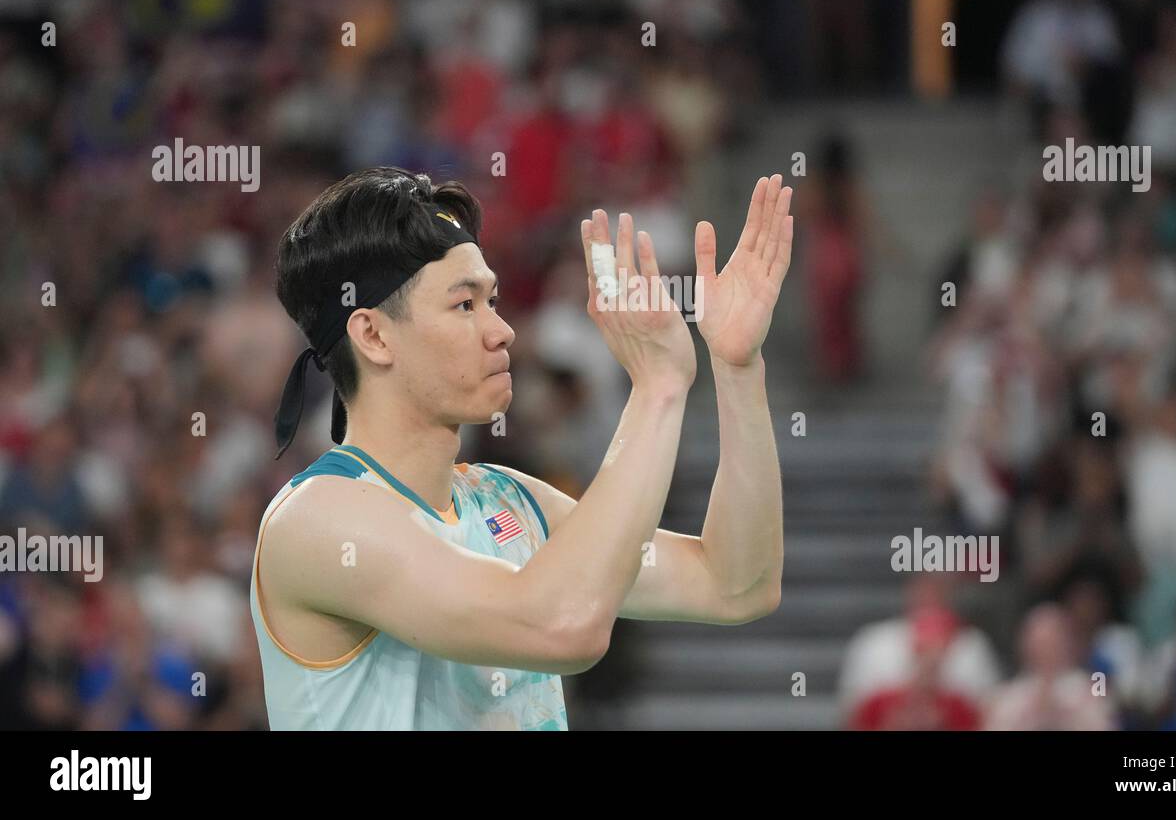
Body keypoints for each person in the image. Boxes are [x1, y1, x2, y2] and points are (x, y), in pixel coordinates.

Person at [252, 167, 794, 729]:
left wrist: (737, 368)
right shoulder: (318, 519)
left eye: (494, 301)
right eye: (465, 305)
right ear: (373, 335)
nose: (503, 330)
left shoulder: (508, 500)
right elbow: (562, 624)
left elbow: (737, 585)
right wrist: (657, 388)